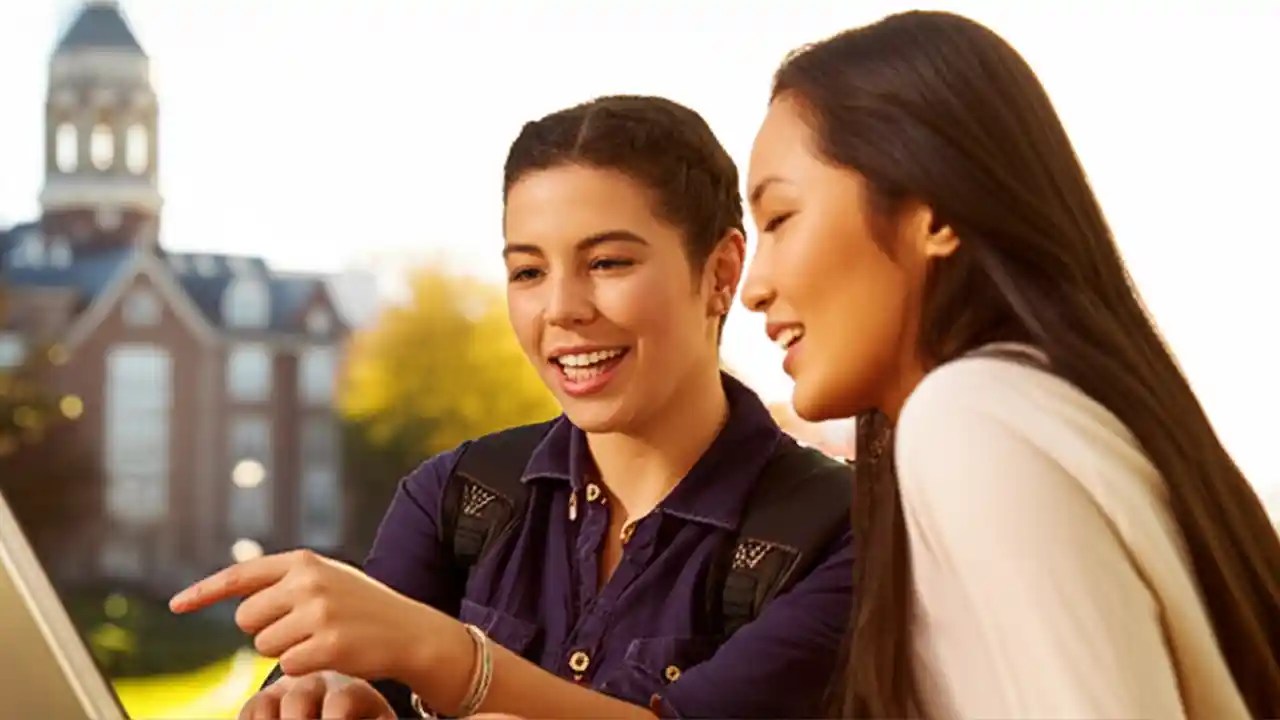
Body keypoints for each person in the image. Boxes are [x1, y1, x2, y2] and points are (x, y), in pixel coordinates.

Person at [170, 95, 855, 720]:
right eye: (528, 272)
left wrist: (447, 655)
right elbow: (341, 683)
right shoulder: (455, 497)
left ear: (721, 272)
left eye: (608, 263)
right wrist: (325, 697)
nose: (560, 309)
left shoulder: (845, 531)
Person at [740, 10, 1280, 720]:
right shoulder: (1046, 410)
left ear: (933, 216)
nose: (754, 287)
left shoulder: (968, 421)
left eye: (779, 220)